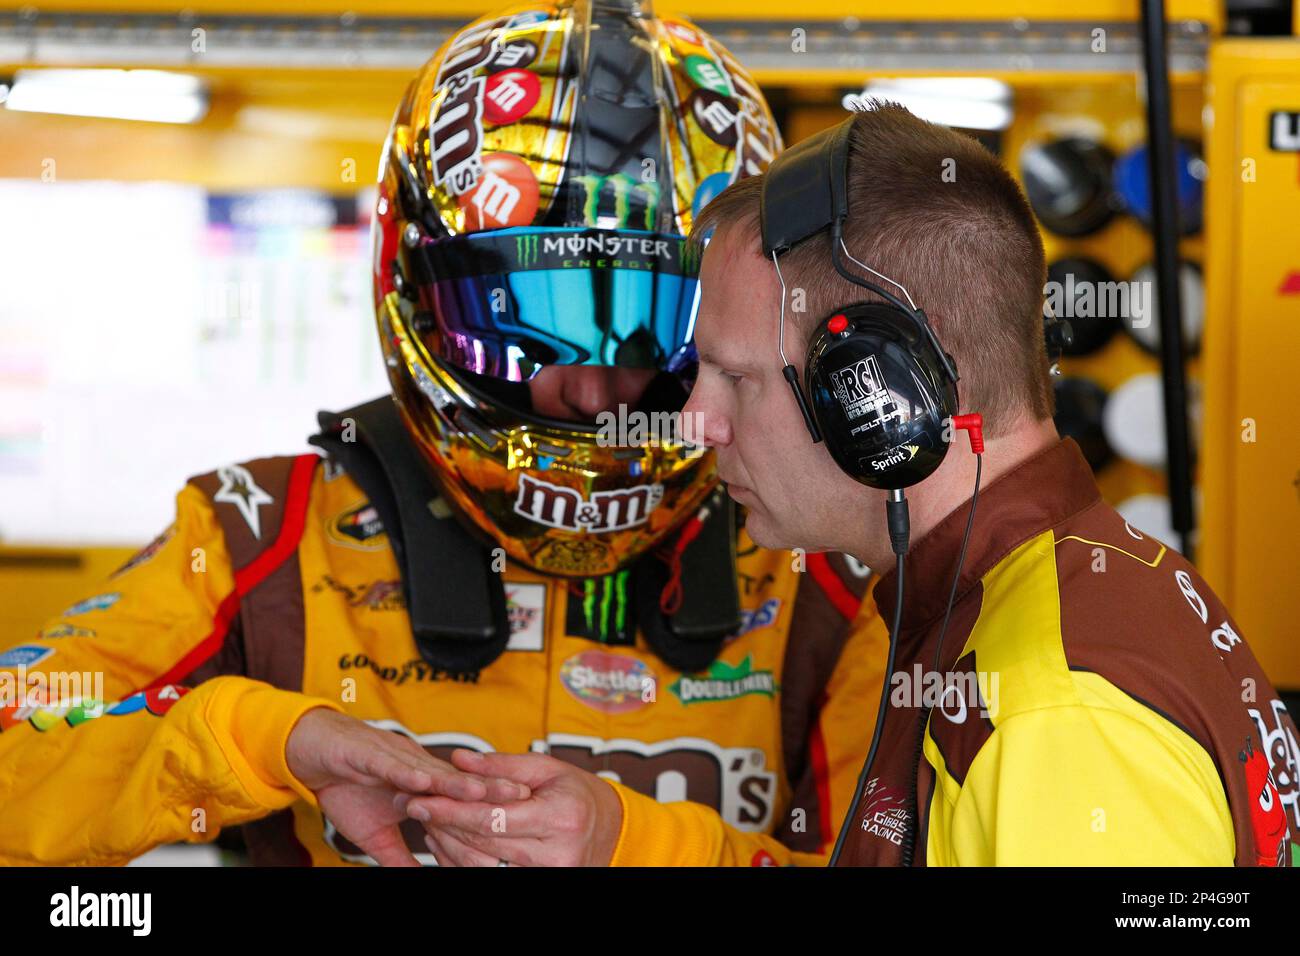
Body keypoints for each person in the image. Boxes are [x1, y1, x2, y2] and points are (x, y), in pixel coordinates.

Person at [0, 1, 888, 868]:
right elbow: (17, 752)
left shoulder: (825, 566)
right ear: (415, 298)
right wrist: (265, 737)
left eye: (660, 336)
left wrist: (638, 847)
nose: (591, 394)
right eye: (527, 329)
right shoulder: (258, 535)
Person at [407, 102, 1299, 867]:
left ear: (882, 386)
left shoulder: (1052, 715)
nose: (692, 422)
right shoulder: (1041, 595)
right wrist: (621, 839)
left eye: (736, 378)